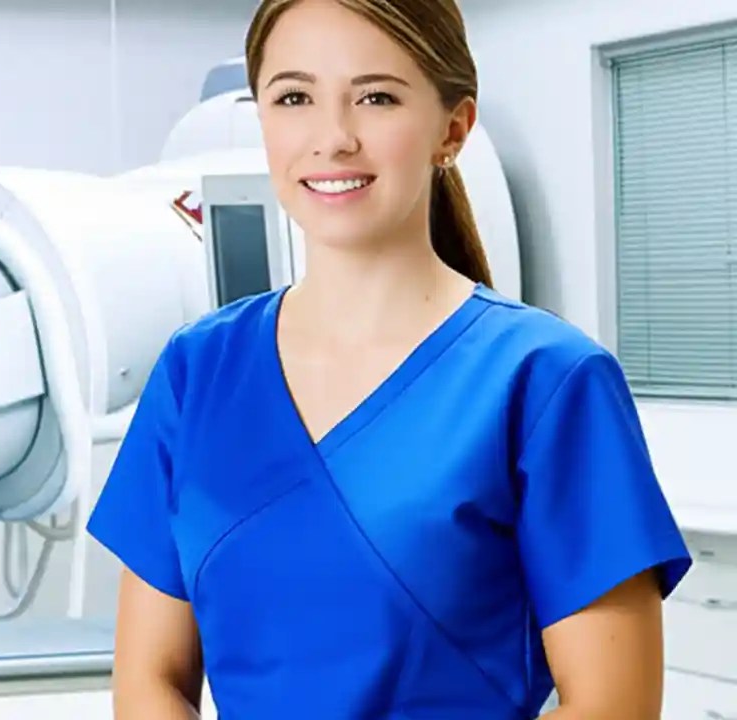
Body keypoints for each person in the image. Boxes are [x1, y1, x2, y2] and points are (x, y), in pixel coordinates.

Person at [84, 0, 693, 717]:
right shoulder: (196, 373)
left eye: (375, 97)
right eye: (294, 98)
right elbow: (149, 680)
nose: (332, 137)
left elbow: (612, 705)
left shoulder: (545, 380)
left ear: (453, 129)